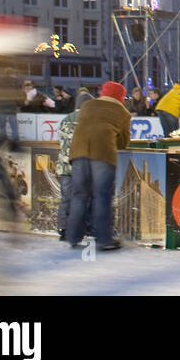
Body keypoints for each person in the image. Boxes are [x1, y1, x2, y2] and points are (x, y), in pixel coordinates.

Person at [65, 81, 132, 251]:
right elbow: (123, 143)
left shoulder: (87, 105)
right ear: (121, 97)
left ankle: (73, 236)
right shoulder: (123, 112)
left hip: (78, 153)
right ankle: (103, 240)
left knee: (79, 195)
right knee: (101, 196)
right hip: (102, 155)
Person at [54, 89, 94, 240]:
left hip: (65, 166)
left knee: (66, 198)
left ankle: (63, 228)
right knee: (85, 198)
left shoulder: (66, 119)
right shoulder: (89, 119)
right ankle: (86, 227)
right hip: (82, 164)